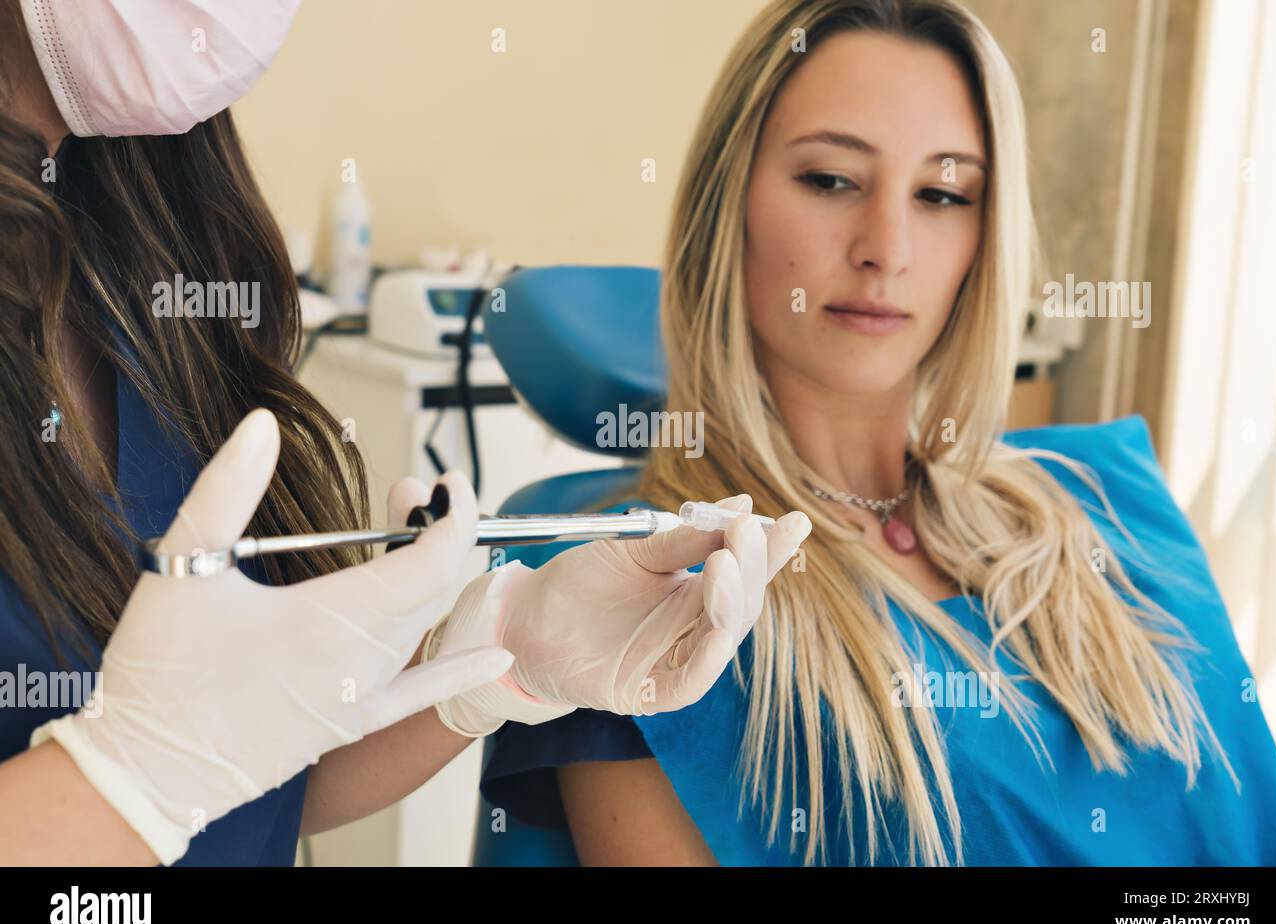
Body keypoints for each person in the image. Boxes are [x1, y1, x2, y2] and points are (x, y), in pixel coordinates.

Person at [478, 0, 1276, 866]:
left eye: (943, 193)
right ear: (730, 203)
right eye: (831, 180)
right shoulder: (635, 596)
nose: (888, 247)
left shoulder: (1104, 496)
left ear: (987, 237)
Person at [0, 0, 812, 865]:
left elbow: (256, 789)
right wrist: (131, 775)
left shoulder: (139, 240)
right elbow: (177, 767)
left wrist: (489, 663)